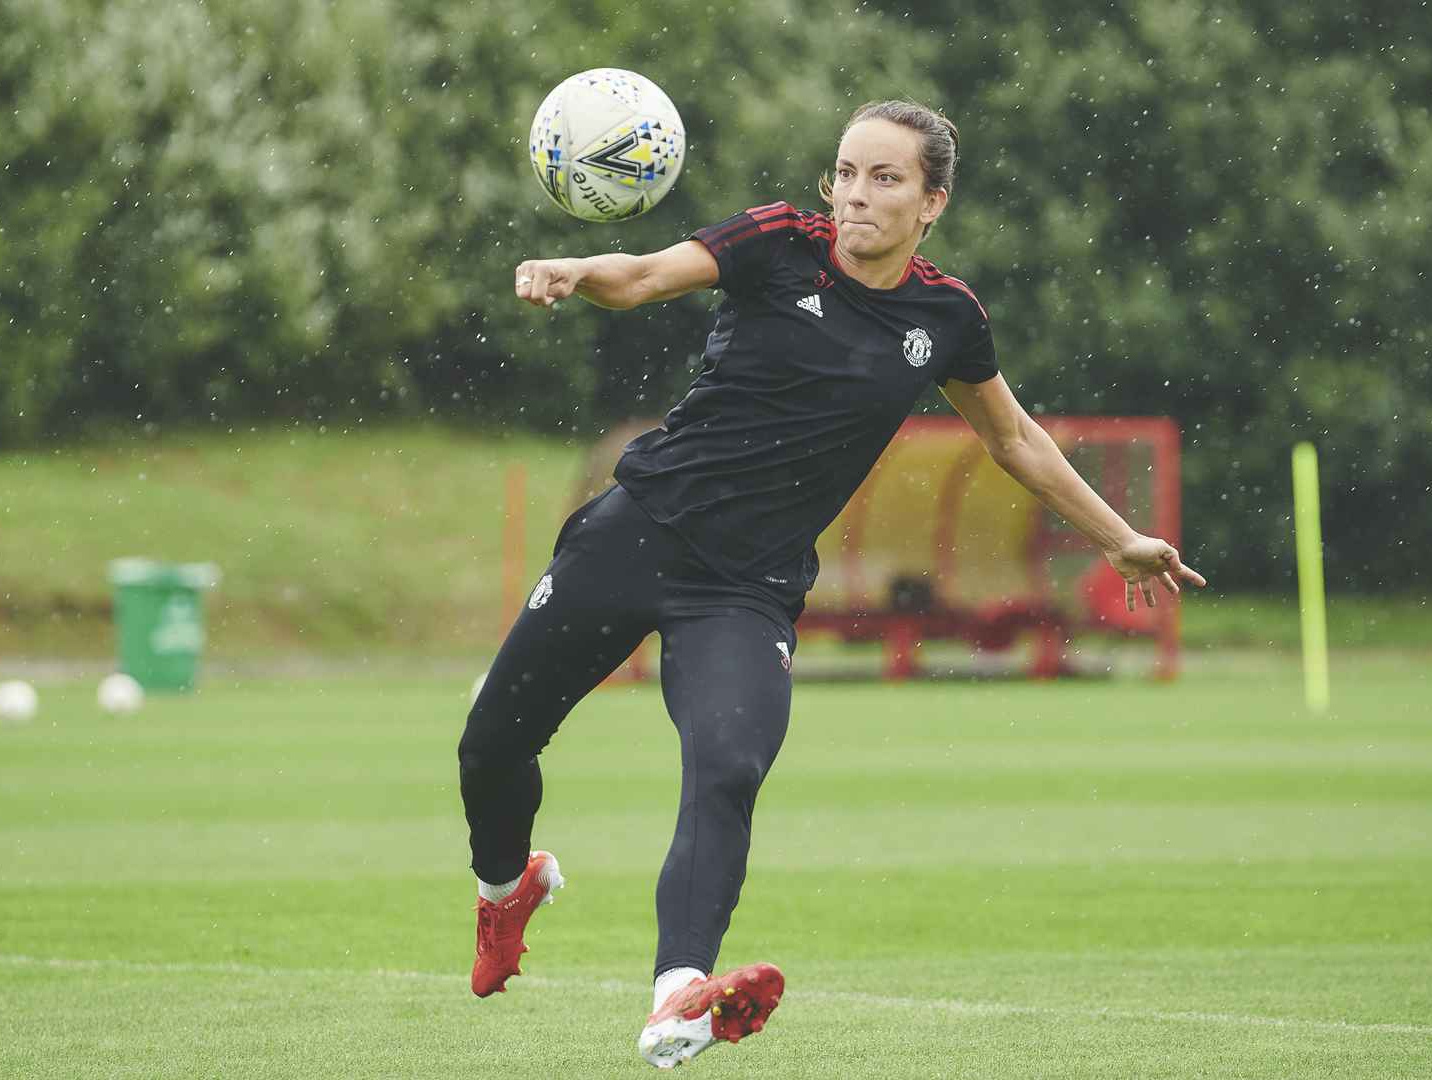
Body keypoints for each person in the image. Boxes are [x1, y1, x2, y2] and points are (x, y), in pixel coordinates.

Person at [459, 99, 1207, 1070]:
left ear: (932, 202)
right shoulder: (778, 243)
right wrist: (576, 271)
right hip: (635, 535)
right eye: (846, 173)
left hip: (746, 589)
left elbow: (1013, 438)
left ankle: (679, 993)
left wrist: (1118, 539)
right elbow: (643, 277)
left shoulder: (946, 318)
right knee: (491, 747)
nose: (856, 195)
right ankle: (504, 890)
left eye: (885, 179)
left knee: (727, 768)